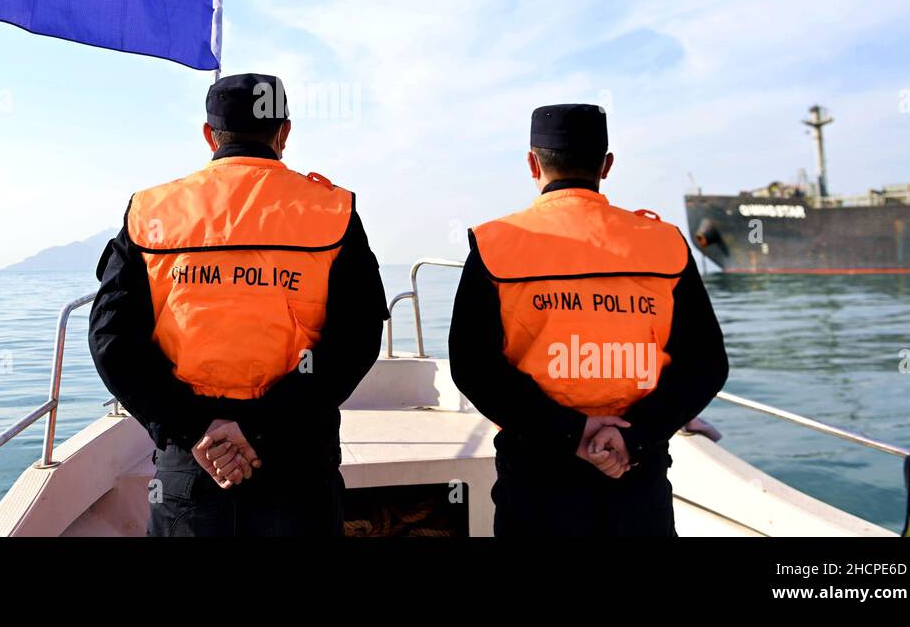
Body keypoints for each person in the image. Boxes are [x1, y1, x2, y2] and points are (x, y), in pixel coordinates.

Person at [88, 73, 387, 536]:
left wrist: (195, 429)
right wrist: (260, 427)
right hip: (298, 460)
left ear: (209, 135)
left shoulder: (152, 211)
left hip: (192, 463)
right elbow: (357, 337)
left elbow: (112, 340)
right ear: (284, 132)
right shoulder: (332, 210)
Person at [448, 103, 729, 536]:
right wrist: (633, 437)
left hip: (536, 481)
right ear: (607, 164)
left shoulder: (495, 245)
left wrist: (571, 433)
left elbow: (473, 367)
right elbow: (706, 363)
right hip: (636, 478)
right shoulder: (664, 244)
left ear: (532, 162)